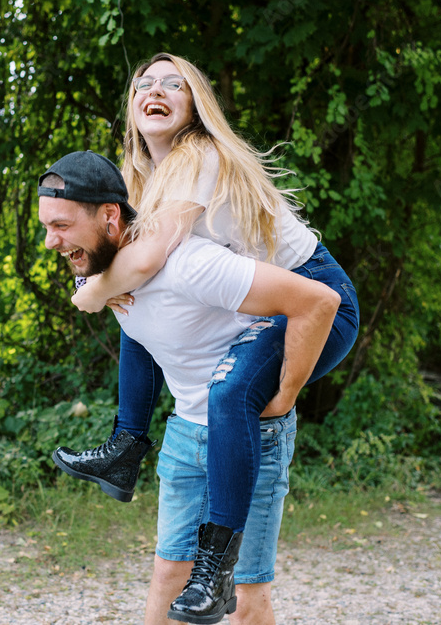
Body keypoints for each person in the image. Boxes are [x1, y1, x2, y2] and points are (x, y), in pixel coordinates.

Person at [38, 150, 359, 624]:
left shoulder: (190, 263)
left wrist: (286, 394)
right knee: (167, 578)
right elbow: (139, 330)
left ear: (109, 216)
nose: (51, 241)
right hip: (185, 432)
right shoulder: (104, 279)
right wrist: (92, 288)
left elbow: (320, 301)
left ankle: (217, 568)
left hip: (251, 434)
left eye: (61, 226)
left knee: (247, 598)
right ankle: (125, 447)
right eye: (47, 227)